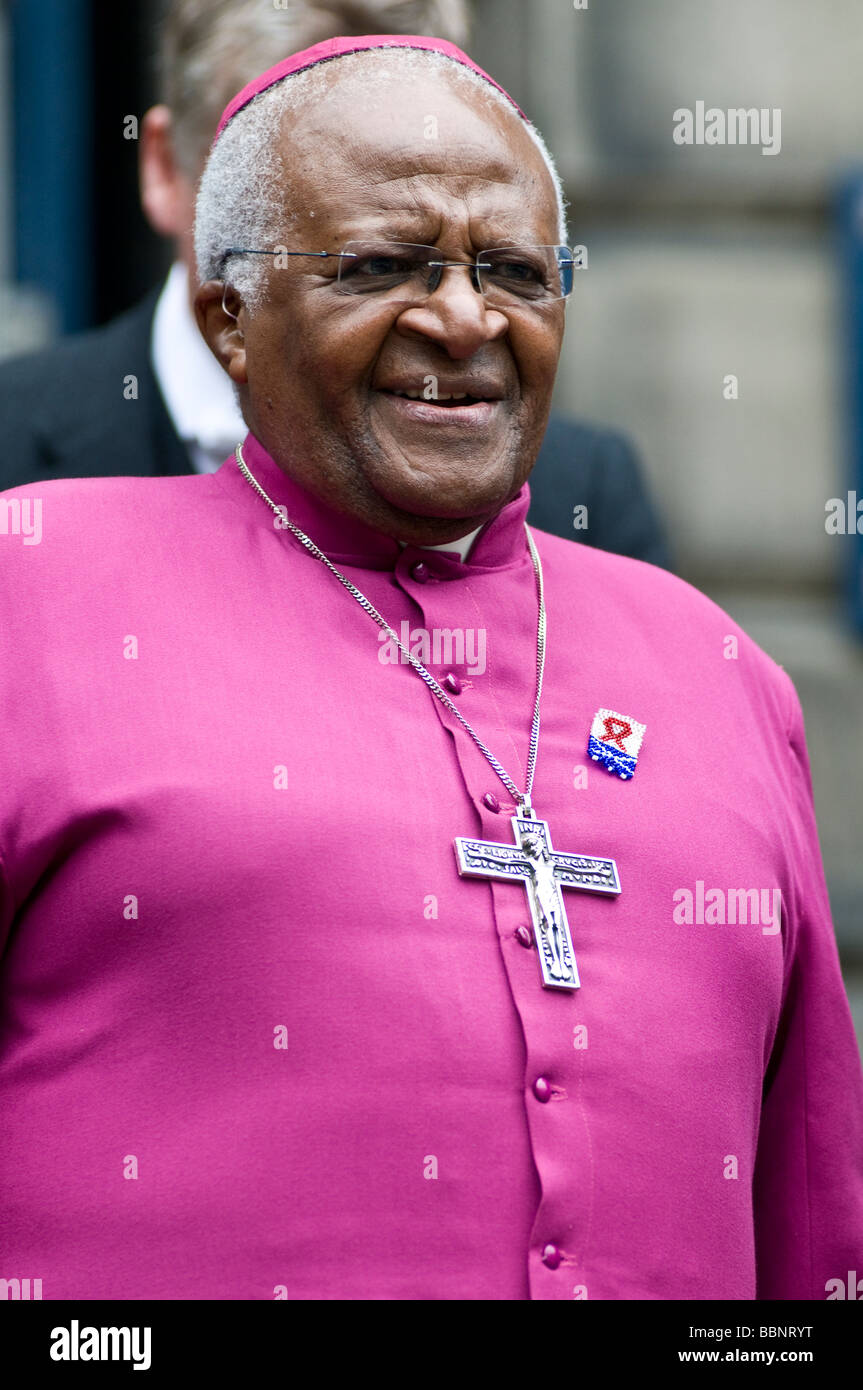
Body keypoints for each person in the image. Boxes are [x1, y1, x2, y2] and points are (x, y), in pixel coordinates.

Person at [0, 33, 858, 1302]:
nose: (463, 318)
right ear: (227, 313)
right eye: (383, 264)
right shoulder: (34, 588)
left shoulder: (715, 668)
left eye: (514, 270)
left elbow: (809, 1217)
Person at [0, 0, 671, 568]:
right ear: (164, 169)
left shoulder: (580, 489)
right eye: (268, 164)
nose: (461, 319)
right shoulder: (16, 451)